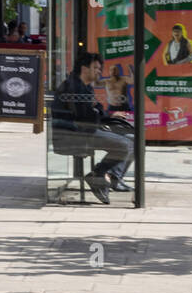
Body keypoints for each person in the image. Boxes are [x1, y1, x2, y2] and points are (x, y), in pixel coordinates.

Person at [53, 51, 134, 202]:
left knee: (132, 138)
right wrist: (98, 113)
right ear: (85, 69)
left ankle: (113, 178)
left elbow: (96, 110)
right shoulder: (74, 87)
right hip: (75, 134)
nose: (99, 71)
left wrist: (105, 115)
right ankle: (97, 175)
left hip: (87, 129)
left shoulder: (85, 87)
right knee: (125, 144)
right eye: (96, 68)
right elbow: (86, 116)